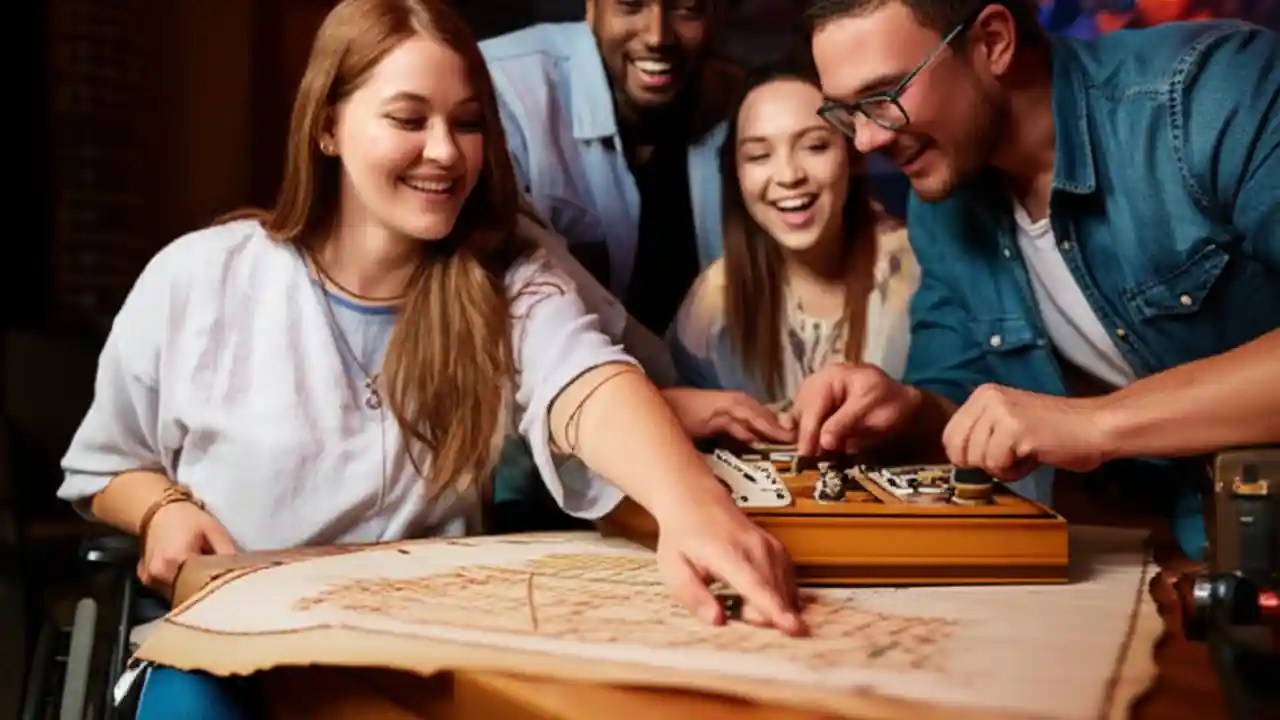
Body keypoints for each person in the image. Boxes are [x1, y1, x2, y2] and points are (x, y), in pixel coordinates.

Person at [58, 0, 804, 715]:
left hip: (422, 656)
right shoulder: (201, 275)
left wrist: (691, 507)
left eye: (468, 123)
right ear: (327, 126)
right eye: (409, 119)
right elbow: (104, 466)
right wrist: (162, 510)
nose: (446, 152)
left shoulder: (505, 275)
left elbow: (583, 380)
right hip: (231, 660)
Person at [792, 0, 1279, 555]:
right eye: (845, 112)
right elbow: (958, 403)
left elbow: (1078, 427)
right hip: (1164, 561)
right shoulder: (942, 201)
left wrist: (1095, 424)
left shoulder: (1213, 92)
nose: (865, 141)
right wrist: (904, 410)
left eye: (882, 98)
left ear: (994, 41)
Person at [669, 64, 919, 422]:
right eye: (758, 156)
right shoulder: (714, 301)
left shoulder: (916, 272)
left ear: (853, 155)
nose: (789, 176)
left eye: (814, 146)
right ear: (736, 174)